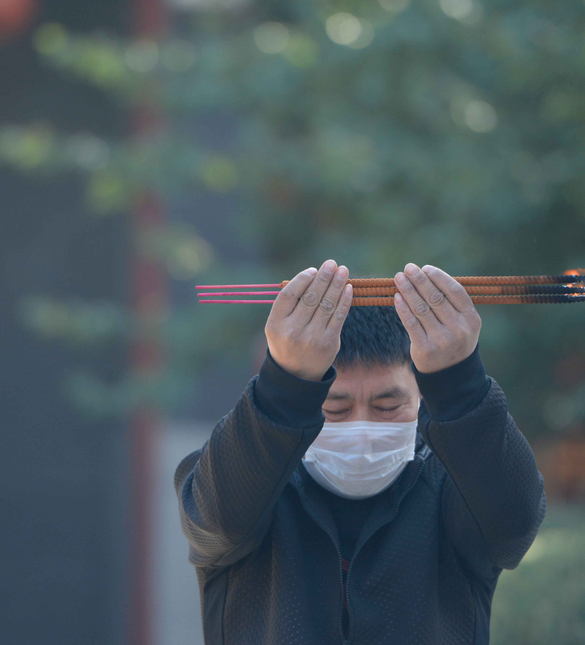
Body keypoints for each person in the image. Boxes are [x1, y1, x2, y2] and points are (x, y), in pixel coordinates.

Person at [174, 258, 547, 644]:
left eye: (388, 407)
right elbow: (216, 521)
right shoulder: (247, 476)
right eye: (335, 409)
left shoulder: (455, 481)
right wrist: (282, 386)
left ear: (420, 394)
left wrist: (460, 382)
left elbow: (514, 525)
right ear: (306, 400)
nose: (362, 430)